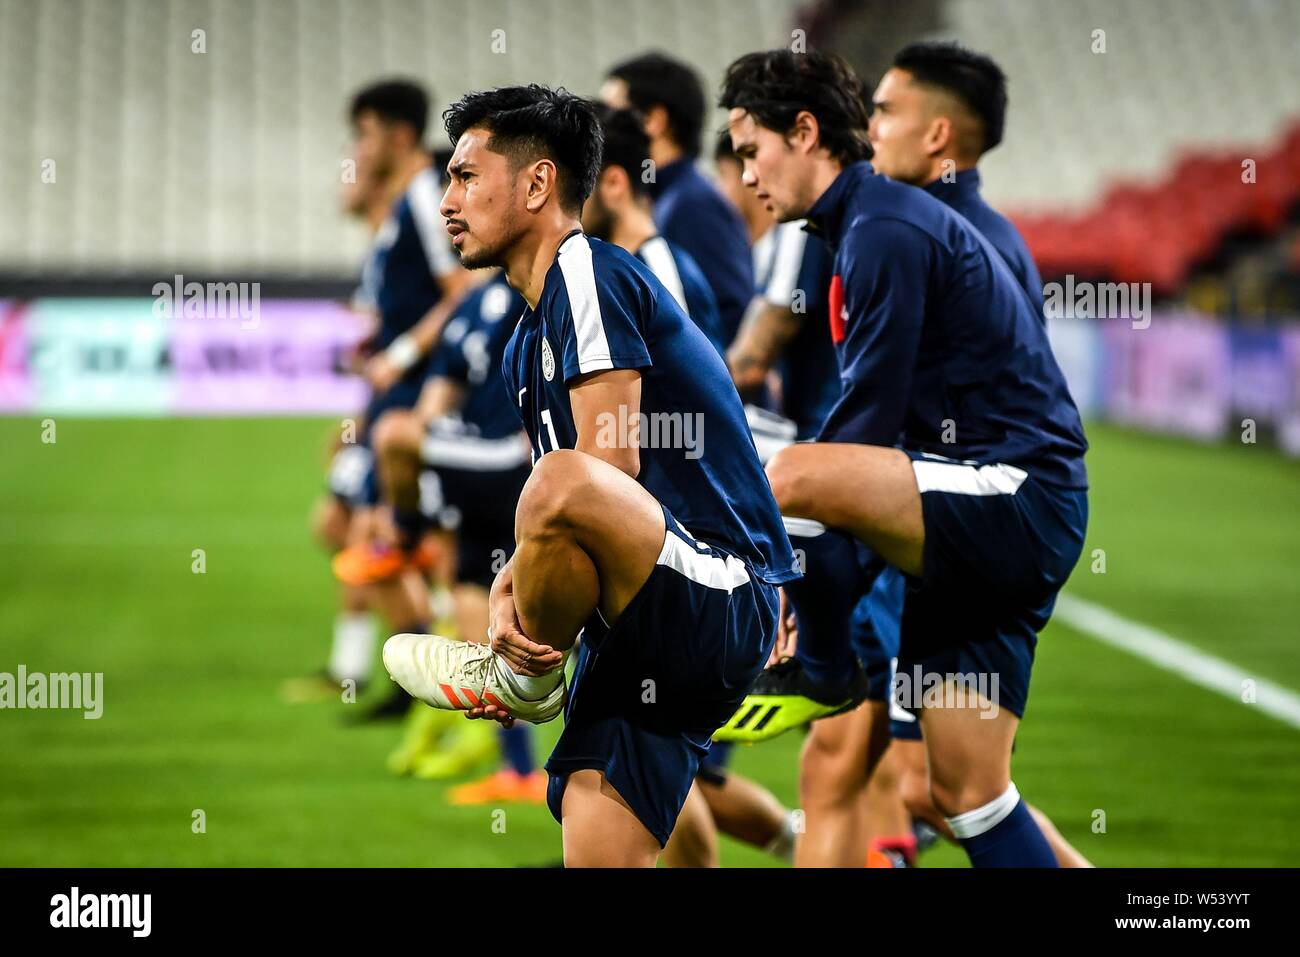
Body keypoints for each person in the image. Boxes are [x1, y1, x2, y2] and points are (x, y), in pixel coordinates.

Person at [381, 85, 799, 866]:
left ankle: (516, 677)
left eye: (466, 177)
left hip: (714, 585)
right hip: (638, 625)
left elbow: (602, 470)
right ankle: (525, 670)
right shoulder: (524, 339)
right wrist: (515, 587)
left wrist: (525, 629)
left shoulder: (589, 273)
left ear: (538, 184)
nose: (446, 202)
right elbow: (564, 519)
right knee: (601, 848)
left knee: (560, 482)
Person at [718, 49, 1089, 868]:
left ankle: (819, 669)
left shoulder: (882, 225)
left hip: (1013, 494)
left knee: (793, 475)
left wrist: (793, 587)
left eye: (751, 151)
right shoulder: (870, 223)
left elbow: (863, 431)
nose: (744, 176)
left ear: (804, 133)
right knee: (963, 794)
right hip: (985, 514)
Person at [601, 54, 754, 348]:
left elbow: (733, 314)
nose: (599, 127)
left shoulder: (692, 204)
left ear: (654, 120)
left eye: (613, 111)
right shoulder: (664, 199)